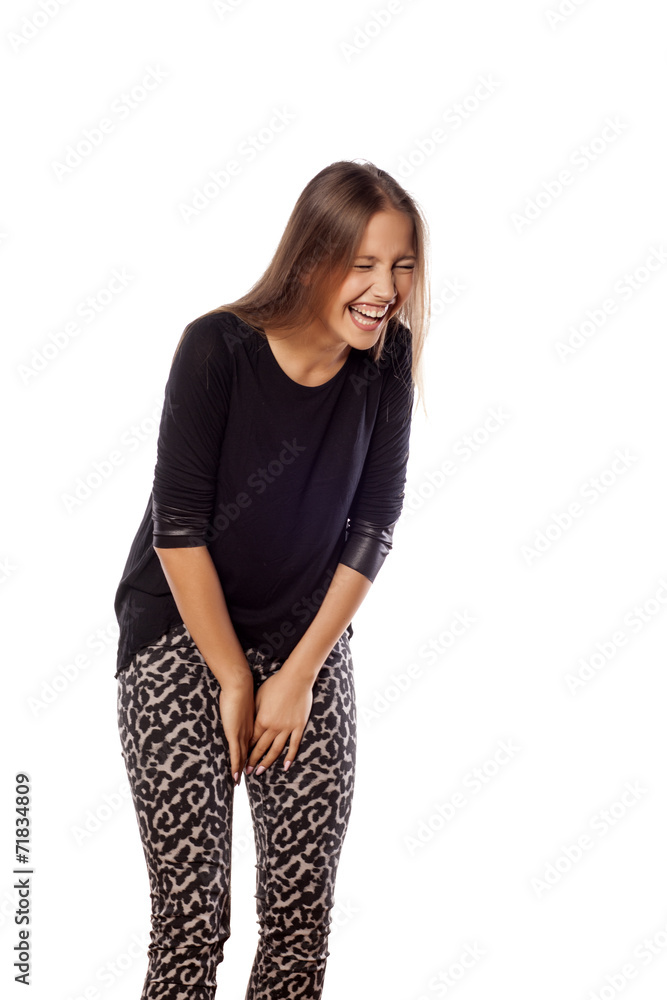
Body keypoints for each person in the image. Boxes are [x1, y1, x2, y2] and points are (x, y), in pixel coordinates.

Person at [113, 158, 430, 1000]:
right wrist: (229, 676)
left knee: (299, 922)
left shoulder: (385, 363)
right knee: (192, 920)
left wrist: (294, 677)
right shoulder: (216, 348)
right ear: (311, 258)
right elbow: (177, 531)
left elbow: (372, 527)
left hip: (304, 640)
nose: (383, 287)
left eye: (400, 265)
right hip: (182, 633)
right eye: (361, 264)